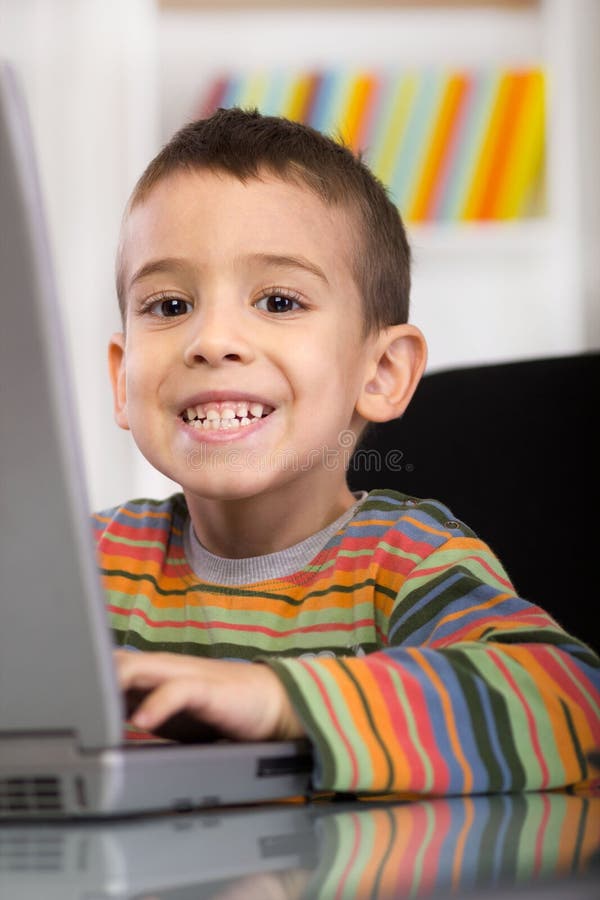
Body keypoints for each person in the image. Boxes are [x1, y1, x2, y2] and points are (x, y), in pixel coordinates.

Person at [94, 107, 600, 796]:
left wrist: (279, 700)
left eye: (277, 300)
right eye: (169, 305)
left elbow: (570, 703)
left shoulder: (406, 560)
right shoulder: (92, 566)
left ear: (382, 373)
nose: (211, 340)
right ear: (122, 380)